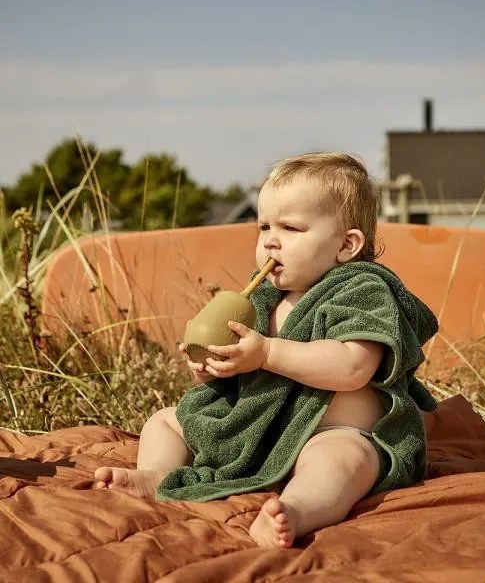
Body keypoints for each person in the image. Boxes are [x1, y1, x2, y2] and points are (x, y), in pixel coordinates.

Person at [94, 152, 438, 549]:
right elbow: (238, 373)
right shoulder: (261, 298)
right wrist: (210, 365)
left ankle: (295, 509)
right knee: (166, 421)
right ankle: (157, 476)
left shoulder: (361, 290)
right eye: (263, 226)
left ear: (347, 244)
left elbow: (352, 367)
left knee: (344, 461)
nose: (270, 240)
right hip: (259, 432)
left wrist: (268, 353)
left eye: (290, 227)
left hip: (333, 431)